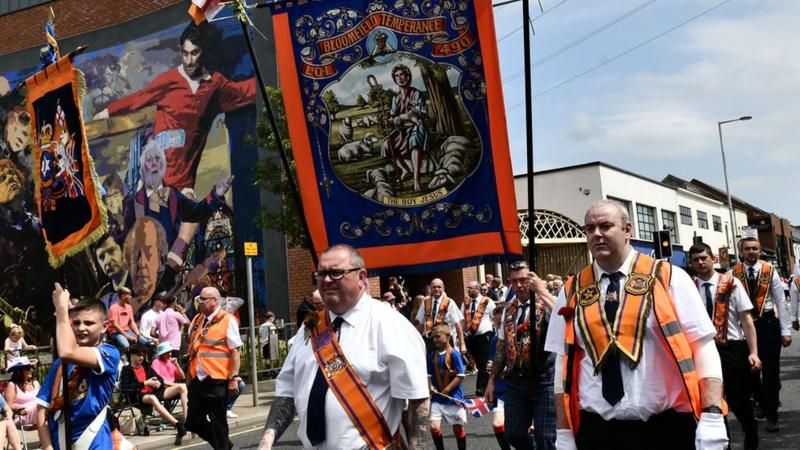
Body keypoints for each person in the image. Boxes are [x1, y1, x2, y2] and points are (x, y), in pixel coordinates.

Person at [546, 200, 727, 450]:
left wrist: (712, 414)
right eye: (590, 229)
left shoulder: (668, 277)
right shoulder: (572, 289)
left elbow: (703, 346)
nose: (597, 234)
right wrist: (564, 430)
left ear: (627, 230)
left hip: (664, 428)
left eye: (606, 226)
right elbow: (561, 363)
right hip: (596, 430)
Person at [258, 244, 430, 449]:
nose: (327, 280)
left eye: (336, 273)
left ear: (361, 276)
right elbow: (288, 389)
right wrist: (267, 440)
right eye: (321, 274)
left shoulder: (392, 326)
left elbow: (417, 399)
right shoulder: (310, 326)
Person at [94, 22, 255, 193]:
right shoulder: (169, 80)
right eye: (185, 53)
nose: (188, 61)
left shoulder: (214, 84)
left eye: (194, 53)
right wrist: (105, 113)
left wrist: (272, 72)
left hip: (184, 185)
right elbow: (139, 98)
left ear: (204, 53)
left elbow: (243, 92)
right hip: (157, 180)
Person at [690, 243, 761, 450]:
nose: (701, 263)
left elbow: (746, 320)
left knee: (739, 400)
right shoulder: (690, 287)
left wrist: (754, 352)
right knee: (712, 402)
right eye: (696, 260)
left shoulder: (731, 283)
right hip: (704, 351)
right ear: (692, 263)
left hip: (732, 349)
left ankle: (751, 433)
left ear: (713, 258)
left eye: (704, 258)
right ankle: (723, 444)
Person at [36, 284, 121, 450]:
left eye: (89, 323)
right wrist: (47, 447)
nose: (81, 328)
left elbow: (68, 351)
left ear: (104, 326)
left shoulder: (109, 353)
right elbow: (42, 409)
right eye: (76, 323)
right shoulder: (59, 365)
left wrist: (61, 310)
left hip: (94, 443)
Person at [485, 261, 556, 450]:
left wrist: (542, 291)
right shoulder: (508, 309)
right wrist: (492, 380)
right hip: (516, 380)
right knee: (513, 435)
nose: (519, 285)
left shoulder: (546, 302)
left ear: (532, 279)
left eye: (523, 280)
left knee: (545, 437)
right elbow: (501, 346)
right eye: (514, 281)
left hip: (544, 379)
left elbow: (565, 315)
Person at [731, 237, 792, 433]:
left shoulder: (769, 270)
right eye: (748, 249)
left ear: (760, 251)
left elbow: (780, 301)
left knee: (771, 374)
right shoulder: (733, 273)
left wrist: (785, 330)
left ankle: (772, 416)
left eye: (755, 248)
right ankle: (763, 401)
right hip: (745, 327)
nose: (751, 252)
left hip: (767, 325)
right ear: (741, 252)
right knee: (750, 372)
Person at [185, 286, 242, 450]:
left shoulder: (227, 319)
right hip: (197, 378)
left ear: (215, 301)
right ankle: (224, 446)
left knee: (218, 421)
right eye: (199, 299)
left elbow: (235, 351)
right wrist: (188, 377)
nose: (200, 302)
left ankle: (222, 446)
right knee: (192, 421)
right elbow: (193, 350)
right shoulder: (197, 319)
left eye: (204, 299)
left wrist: (233, 378)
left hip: (217, 378)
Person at [119, 344, 186, 444]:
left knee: (182, 387)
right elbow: (125, 386)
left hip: (154, 391)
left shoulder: (146, 366)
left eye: (143, 355)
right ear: (132, 355)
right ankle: (177, 425)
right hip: (140, 396)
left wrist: (159, 383)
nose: (141, 357)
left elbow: (159, 378)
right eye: (139, 355)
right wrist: (145, 383)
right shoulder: (127, 370)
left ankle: (187, 420)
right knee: (152, 398)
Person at [380, 64, 428, 191]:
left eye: (402, 74)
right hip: (402, 130)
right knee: (387, 144)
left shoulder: (416, 94)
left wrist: (400, 118)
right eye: (396, 76)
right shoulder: (395, 98)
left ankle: (416, 179)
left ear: (408, 76)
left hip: (416, 126)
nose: (399, 78)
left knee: (414, 140)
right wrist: (387, 121)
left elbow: (419, 113)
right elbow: (393, 119)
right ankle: (405, 170)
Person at [427, 323, 468, 450]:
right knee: (434, 427)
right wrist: (430, 386)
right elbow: (428, 374)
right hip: (438, 397)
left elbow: (460, 375)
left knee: (457, 429)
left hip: (453, 397)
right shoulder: (432, 355)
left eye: (438, 336)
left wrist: (447, 389)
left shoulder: (454, 354)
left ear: (448, 335)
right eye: (433, 337)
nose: (435, 340)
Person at [123, 216, 169, 313]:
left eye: (148, 253)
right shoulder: (111, 302)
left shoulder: (168, 303)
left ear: (160, 259)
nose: (142, 263)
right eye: (136, 254)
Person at [462, 280, 495, 396]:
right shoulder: (466, 302)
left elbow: (495, 316)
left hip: (484, 336)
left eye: (470, 288)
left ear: (477, 289)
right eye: (468, 288)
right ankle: (485, 384)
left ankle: (481, 388)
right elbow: (462, 318)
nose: (468, 290)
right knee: (477, 361)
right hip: (471, 337)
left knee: (483, 362)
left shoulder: (487, 301)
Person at [416, 278, 467, 355]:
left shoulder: (450, 302)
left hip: (445, 340)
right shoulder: (425, 303)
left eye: (439, 287)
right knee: (431, 362)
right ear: (430, 288)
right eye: (434, 287)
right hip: (431, 340)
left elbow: (457, 324)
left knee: (446, 362)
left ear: (443, 288)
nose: (436, 289)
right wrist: (415, 340)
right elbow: (420, 324)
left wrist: (462, 344)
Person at [487, 307, 511, 450]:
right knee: (497, 424)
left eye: (501, 324)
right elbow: (492, 365)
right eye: (497, 324)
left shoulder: (518, 336)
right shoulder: (495, 340)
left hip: (517, 389)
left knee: (520, 430)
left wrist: (503, 370)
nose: (499, 327)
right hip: (501, 390)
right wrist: (491, 371)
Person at [91, 233, 130, 309]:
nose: (107, 261)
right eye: (101, 257)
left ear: (123, 250)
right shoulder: (102, 296)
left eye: (111, 251)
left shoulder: (139, 283)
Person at [149, 342, 189, 417]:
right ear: (162, 353)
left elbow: (182, 377)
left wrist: (176, 365)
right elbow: (157, 380)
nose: (170, 354)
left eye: (170, 352)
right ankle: (187, 417)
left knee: (187, 387)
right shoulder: (156, 362)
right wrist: (175, 384)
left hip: (171, 388)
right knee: (182, 386)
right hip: (161, 390)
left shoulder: (170, 362)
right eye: (167, 352)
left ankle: (190, 415)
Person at [4, 356, 40, 428]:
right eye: (28, 368)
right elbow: (8, 406)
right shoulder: (12, 385)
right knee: (40, 408)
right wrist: (19, 407)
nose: (31, 370)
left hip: (38, 411)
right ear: (19, 371)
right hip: (23, 416)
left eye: (32, 367)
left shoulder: (35, 383)